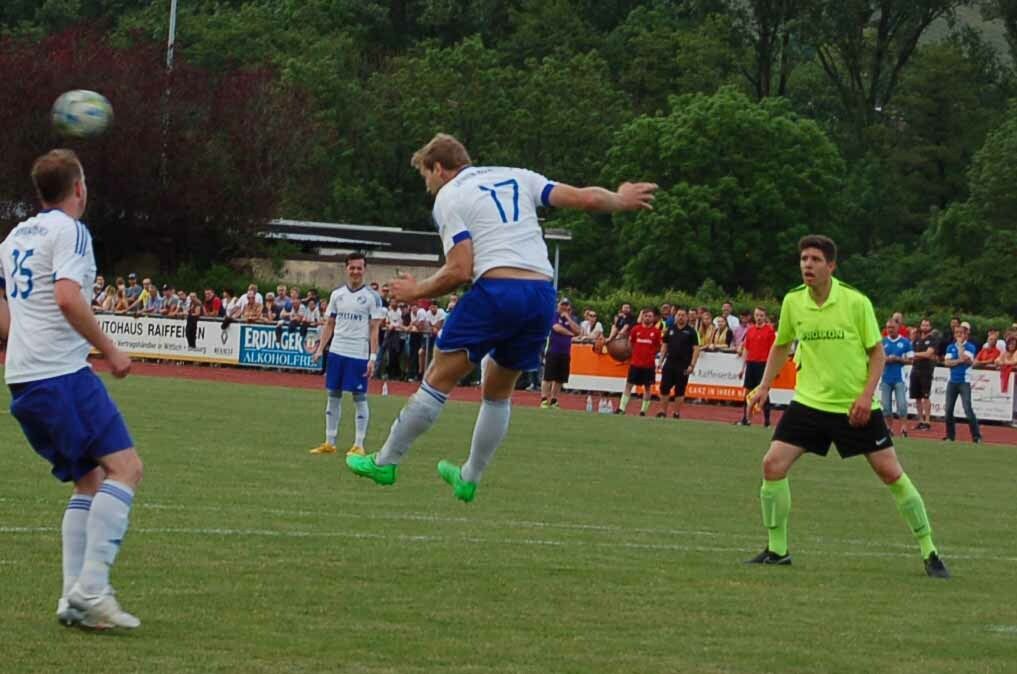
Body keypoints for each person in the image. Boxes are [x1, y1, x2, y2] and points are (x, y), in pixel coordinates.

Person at [346, 132, 656, 501]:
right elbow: (586, 197)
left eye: (426, 177)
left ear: (439, 168)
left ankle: (385, 462)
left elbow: (460, 270)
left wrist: (416, 291)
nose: (427, 186)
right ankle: (469, 477)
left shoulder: (450, 195)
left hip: (498, 290)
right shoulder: (518, 175)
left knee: (437, 378)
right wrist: (620, 199)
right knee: (497, 391)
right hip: (542, 293)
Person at [744, 234, 949, 578]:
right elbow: (782, 346)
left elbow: (877, 354)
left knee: (890, 473)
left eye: (815, 259)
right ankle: (777, 549)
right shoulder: (794, 302)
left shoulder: (855, 302)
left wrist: (866, 396)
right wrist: (764, 386)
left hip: (854, 405)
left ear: (831, 265)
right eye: (804, 259)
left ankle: (930, 551)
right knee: (772, 465)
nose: (807, 265)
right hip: (809, 402)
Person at [0, 149, 143, 628]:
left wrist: (24, 340)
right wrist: (110, 349)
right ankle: (93, 587)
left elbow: (5, 314)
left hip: (23, 379)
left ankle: (71, 600)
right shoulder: (71, 232)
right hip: (60, 374)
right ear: (78, 188)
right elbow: (67, 296)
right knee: (126, 468)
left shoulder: (16, 235)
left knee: (89, 480)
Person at [310, 253, 386, 456]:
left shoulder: (372, 297)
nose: (355, 271)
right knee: (333, 395)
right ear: (346, 269)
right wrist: (320, 349)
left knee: (359, 396)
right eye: (352, 268)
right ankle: (329, 441)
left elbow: (374, 329)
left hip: (358, 354)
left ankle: (359, 444)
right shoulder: (337, 295)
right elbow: (330, 324)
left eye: (359, 268)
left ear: (364, 269)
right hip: (337, 351)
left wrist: (372, 358)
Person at [616, 308, 662, 416]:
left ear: (653, 318)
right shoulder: (635, 329)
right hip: (635, 363)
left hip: (649, 364)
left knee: (647, 388)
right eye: (646, 316)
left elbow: (658, 347)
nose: (648, 318)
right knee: (628, 386)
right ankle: (621, 408)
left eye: (650, 316)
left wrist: (650, 354)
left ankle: (643, 411)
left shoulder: (656, 332)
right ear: (643, 317)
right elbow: (631, 344)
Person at [656, 307, 699, 419]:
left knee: (680, 390)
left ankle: (676, 413)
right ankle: (663, 411)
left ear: (687, 317)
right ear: (675, 316)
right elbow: (664, 346)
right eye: (678, 315)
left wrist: (692, 365)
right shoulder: (670, 329)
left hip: (683, 365)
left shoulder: (691, 331)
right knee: (664, 388)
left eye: (683, 315)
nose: (680, 317)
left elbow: (696, 349)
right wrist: (660, 361)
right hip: (669, 363)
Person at [737, 307, 776, 427]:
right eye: (757, 315)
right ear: (754, 316)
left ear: (765, 317)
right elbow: (746, 349)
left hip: (763, 365)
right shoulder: (750, 330)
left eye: (761, 315)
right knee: (748, 392)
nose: (759, 318)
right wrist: (743, 367)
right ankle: (746, 418)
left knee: (763, 393)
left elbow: (773, 351)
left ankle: (767, 420)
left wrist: (773, 368)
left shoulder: (770, 331)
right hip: (751, 364)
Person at [942, 324, 981, 443]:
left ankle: (976, 436)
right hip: (952, 381)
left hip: (964, 381)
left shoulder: (970, 347)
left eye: (961, 333)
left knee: (967, 409)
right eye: (956, 333)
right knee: (948, 410)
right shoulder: (949, 347)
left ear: (965, 334)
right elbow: (947, 363)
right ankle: (950, 436)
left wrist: (959, 349)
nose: (958, 335)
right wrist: (958, 361)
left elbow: (965, 359)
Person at [540, 298, 581, 408]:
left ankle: (554, 400)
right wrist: (571, 334)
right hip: (553, 350)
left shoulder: (570, 318)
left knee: (559, 378)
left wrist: (568, 317)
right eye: (562, 305)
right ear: (558, 306)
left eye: (566, 305)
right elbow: (556, 328)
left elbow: (579, 331)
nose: (564, 307)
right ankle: (544, 399)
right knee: (548, 377)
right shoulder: (554, 315)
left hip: (565, 352)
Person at [881, 318, 914, 438]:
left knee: (902, 405)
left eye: (892, 328)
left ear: (898, 328)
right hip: (885, 378)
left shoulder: (905, 342)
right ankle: (889, 428)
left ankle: (904, 427)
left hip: (899, 378)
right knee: (886, 407)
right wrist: (886, 359)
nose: (890, 330)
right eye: (888, 328)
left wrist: (898, 359)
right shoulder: (882, 341)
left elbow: (911, 360)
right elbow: (877, 359)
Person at [909, 318, 938, 431]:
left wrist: (915, 354)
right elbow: (911, 355)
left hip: (926, 370)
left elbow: (928, 354)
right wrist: (916, 355)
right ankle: (920, 420)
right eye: (923, 325)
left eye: (927, 325)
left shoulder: (932, 339)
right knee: (917, 397)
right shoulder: (916, 339)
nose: (925, 327)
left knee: (926, 397)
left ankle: (927, 421)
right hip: (915, 369)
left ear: (930, 327)